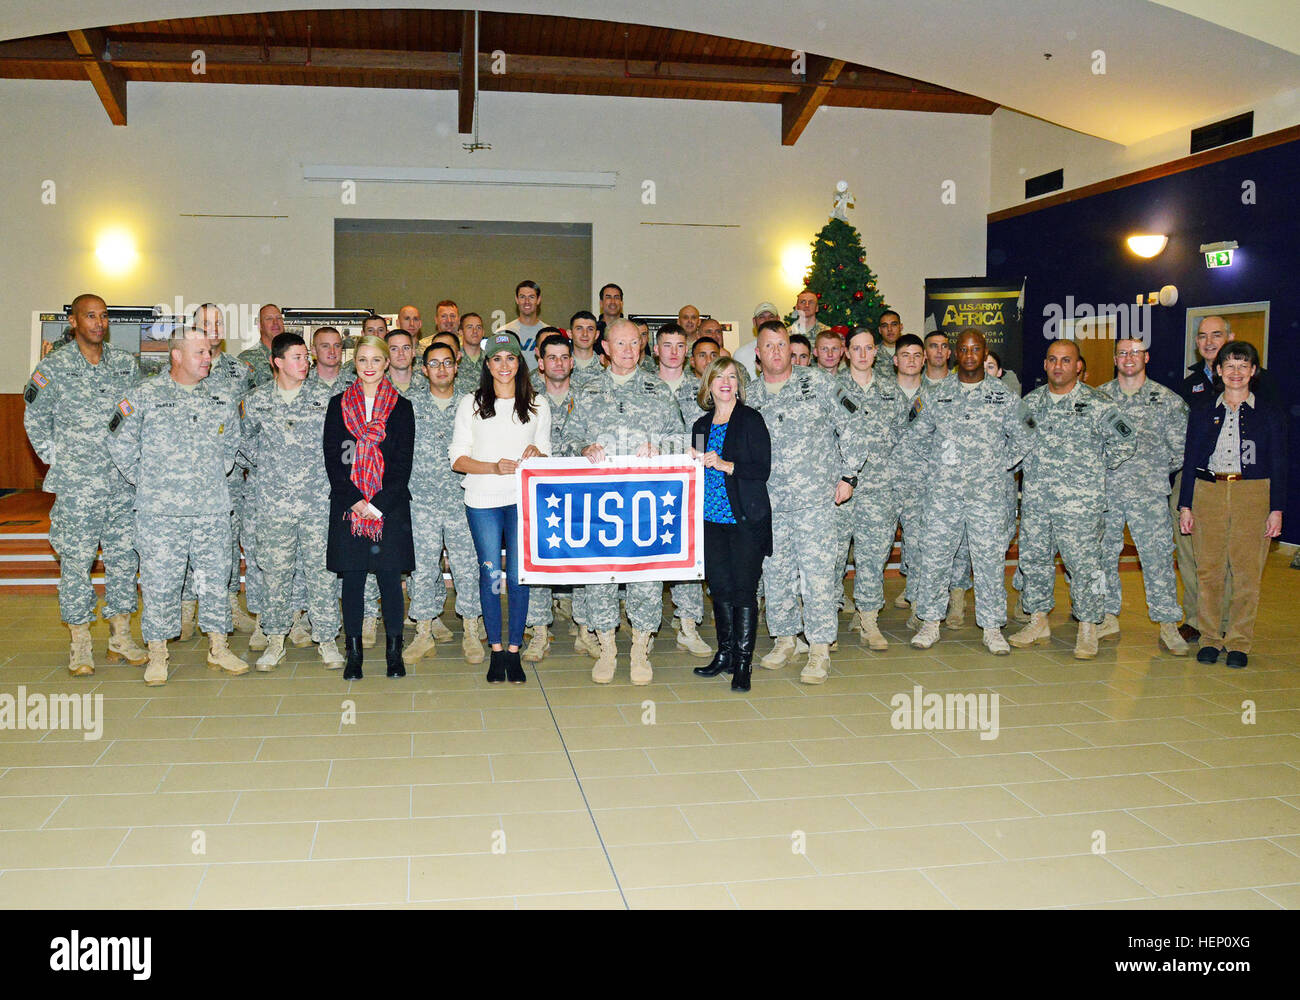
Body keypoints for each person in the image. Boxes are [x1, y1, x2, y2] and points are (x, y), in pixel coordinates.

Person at [107, 330, 249, 685]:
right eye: (200, 352)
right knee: (160, 583)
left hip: (211, 509)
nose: (207, 357)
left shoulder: (221, 398)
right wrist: (149, 483)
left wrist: (213, 476)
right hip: (160, 513)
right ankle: (158, 653)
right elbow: (119, 443)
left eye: (209, 352)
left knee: (215, 580)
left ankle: (219, 647)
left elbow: (232, 443)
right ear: (176, 355)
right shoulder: (144, 395)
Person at [24, 293, 147, 676]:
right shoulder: (54, 367)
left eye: (104, 316)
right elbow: (34, 419)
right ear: (74, 322)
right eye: (89, 316)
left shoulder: (126, 366)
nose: (98, 322)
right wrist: (58, 459)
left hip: (121, 484)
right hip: (78, 488)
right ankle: (80, 644)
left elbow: (141, 415)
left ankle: (121, 637)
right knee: (76, 562)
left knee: (124, 560)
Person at [563, 319, 686, 685]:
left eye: (635, 343)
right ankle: (606, 649)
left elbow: (681, 441)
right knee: (601, 577)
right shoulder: (585, 390)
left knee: (645, 577)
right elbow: (565, 442)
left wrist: (660, 447)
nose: (629, 350)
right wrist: (583, 448)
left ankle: (639, 648)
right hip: (600, 507)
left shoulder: (658, 390)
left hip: (645, 506)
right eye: (620, 343)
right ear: (605, 347)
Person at [748, 321, 865, 684]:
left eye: (782, 344)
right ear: (758, 354)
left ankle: (818, 648)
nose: (776, 352)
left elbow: (855, 425)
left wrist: (849, 476)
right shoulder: (749, 396)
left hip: (815, 500)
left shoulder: (820, 384)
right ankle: (785, 639)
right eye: (768, 346)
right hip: (768, 502)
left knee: (817, 576)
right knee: (776, 573)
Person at [903, 330, 1032, 654]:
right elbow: (915, 435)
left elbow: (1026, 435)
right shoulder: (934, 394)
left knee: (989, 562)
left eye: (976, 349)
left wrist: (999, 463)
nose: (970, 355)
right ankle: (930, 623)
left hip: (986, 497)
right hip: (943, 497)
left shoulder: (1004, 396)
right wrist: (940, 464)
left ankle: (992, 628)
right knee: (935, 560)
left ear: (984, 352)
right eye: (964, 349)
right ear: (954, 354)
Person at [1009, 339, 1137, 658]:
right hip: (1038, 503)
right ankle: (1038, 620)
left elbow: (1126, 440)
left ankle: (1089, 627)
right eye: (1053, 359)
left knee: (1086, 567)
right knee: (1034, 562)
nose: (1058, 366)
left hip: (1080, 506)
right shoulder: (1031, 403)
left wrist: (1092, 468)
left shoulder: (1098, 404)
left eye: (1066, 361)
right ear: (1045, 364)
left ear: (1078, 366)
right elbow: (1016, 441)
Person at [451, 332, 551, 684]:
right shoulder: (471, 403)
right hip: (482, 500)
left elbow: (546, 451)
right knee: (491, 575)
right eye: (497, 359)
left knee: (519, 576)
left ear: (518, 363)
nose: (504, 365)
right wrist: (493, 466)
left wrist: (538, 454)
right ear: (488, 364)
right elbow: (458, 459)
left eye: (510, 358)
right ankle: (495, 649)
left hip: (523, 500)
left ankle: (513, 650)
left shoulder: (537, 403)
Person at [1178, 341, 1286, 669]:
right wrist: (1185, 505)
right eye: (1230, 366)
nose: (1236, 372)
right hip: (1208, 491)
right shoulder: (1202, 411)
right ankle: (1210, 637)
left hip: (1252, 493)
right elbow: (1191, 458)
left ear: (1253, 372)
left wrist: (1276, 508)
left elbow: (1280, 463)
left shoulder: (1269, 413)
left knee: (1246, 571)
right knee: (1208, 569)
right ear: (1219, 371)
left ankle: (1239, 640)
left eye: (1244, 365)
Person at [240, 333, 343, 669]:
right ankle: (274, 641)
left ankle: (327, 640)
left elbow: (342, 445)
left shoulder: (326, 398)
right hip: (273, 505)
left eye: (305, 357)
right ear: (277, 361)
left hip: (318, 503)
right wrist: (270, 467)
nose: (305, 363)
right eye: (297, 357)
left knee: (322, 573)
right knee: (275, 574)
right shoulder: (256, 401)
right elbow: (242, 445)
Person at [323, 335, 415, 681]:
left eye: (376, 360)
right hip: (349, 508)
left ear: (387, 363)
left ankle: (394, 651)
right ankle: (354, 652)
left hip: (388, 509)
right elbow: (333, 460)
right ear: (354, 364)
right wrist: (357, 502)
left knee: (391, 580)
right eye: (362, 360)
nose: (369, 367)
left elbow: (402, 464)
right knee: (354, 580)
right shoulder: (338, 405)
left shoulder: (401, 407)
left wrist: (376, 505)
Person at [1097, 337, 1190, 655]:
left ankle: (1167, 624)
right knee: (1103, 558)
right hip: (1107, 493)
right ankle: (1106, 617)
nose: (1128, 358)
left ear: (1146, 357)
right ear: (1115, 358)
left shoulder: (1167, 400)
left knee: (1158, 558)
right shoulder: (1099, 398)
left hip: (1148, 494)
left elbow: (1180, 452)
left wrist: (1149, 470)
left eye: (1135, 352)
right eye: (1122, 353)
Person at [690, 358, 771, 692]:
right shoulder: (699, 426)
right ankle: (723, 654)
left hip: (744, 521)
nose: (725, 382)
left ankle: (743, 662)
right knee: (720, 589)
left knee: (743, 591)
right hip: (710, 522)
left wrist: (725, 464)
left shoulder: (751, 419)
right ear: (708, 385)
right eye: (718, 377)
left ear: (739, 384)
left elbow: (761, 469)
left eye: (732, 377)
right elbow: (693, 471)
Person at [403, 342, 485, 668]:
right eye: (433, 364)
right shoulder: (407, 404)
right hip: (420, 501)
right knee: (422, 569)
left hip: (462, 498)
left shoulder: (474, 404)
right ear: (424, 369)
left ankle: (470, 629)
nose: (440, 369)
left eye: (447, 363)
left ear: (457, 365)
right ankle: (423, 633)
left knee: (467, 568)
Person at [180, 304, 257, 640]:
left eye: (218, 323)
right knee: (185, 545)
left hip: (228, 478)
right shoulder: (180, 366)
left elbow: (247, 422)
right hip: (187, 477)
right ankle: (185, 609)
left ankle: (228, 606)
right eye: (205, 323)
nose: (213, 328)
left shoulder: (240, 372)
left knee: (227, 542)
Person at [833, 327, 909, 650]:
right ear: (846, 352)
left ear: (876, 351)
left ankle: (868, 620)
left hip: (880, 490)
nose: (863, 355)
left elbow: (906, 438)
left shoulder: (892, 393)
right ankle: (826, 625)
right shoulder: (832, 390)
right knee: (832, 558)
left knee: (872, 557)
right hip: (839, 492)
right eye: (856, 349)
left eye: (868, 348)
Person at [654, 324, 712, 657]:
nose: (674, 352)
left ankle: (688, 625)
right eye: (667, 345)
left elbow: (709, 433)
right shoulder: (644, 386)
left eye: (680, 346)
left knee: (689, 553)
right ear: (656, 349)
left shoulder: (701, 389)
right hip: (651, 484)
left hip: (691, 484)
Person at [521, 333, 579, 662]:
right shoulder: (524, 398)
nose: (558, 363)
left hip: (580, 491)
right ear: (540, 364)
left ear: (571, 361)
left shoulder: (589, 397)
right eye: (551, 357)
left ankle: (585, 628)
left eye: (564, 357)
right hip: (539, 494)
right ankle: (539, 630)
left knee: (586, 558)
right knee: (537, 561)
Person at [238, 303, 283, 387]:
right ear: (260, 326)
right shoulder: (247, 359)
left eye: (279, 318)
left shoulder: (293, 357)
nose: (275, 322)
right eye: (269, 319)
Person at [503, 280, 547, 360]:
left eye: (531, 297)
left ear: (538, 300)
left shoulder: (548, 333)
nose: (527, 302)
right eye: (522, 297)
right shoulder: (504, 332)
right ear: (517, 299)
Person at [733, 302, 779, 378]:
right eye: (761, 317)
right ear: (754, 321)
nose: (767, 320)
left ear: (778, 319)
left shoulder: (787, 350)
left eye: (771, 317)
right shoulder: (741, 354)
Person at [308, 326, 354, 393]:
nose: (332, 351)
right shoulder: (301, 382)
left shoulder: (356, 383)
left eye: (337, 346)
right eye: (325, 346)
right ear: (314, 350)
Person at [383, 328, 427, 397]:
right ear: (386, 353)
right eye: (394, 349)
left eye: (406, 348)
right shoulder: (378, 386)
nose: (401, 353)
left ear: (413, 352)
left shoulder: (428, 385)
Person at [454, 312, 487, 392]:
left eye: (478, 327)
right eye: (469, 327)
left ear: (483, 332)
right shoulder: (454, 359)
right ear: (461, 332)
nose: (475, 331)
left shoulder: (491, 359)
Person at [569, 310, 602, 382]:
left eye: (590, 329)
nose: (585, 334)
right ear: (570, 334)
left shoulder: (605, 367)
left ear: (597, 335)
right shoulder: (561, 366)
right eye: (579, 328)